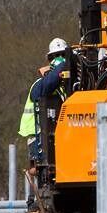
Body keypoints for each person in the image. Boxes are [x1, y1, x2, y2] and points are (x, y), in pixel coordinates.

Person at [19, 37, 70, 194]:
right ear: (50, 60)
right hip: (35, 132)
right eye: (56, 56)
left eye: (62, 55)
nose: (59, 58)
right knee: (37, 168)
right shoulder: (40, 84)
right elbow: (42, 91)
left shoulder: (63, 87)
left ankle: (45, 196)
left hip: (49, 133)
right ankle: (32, 201)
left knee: (48, 168)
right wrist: (62, 67)